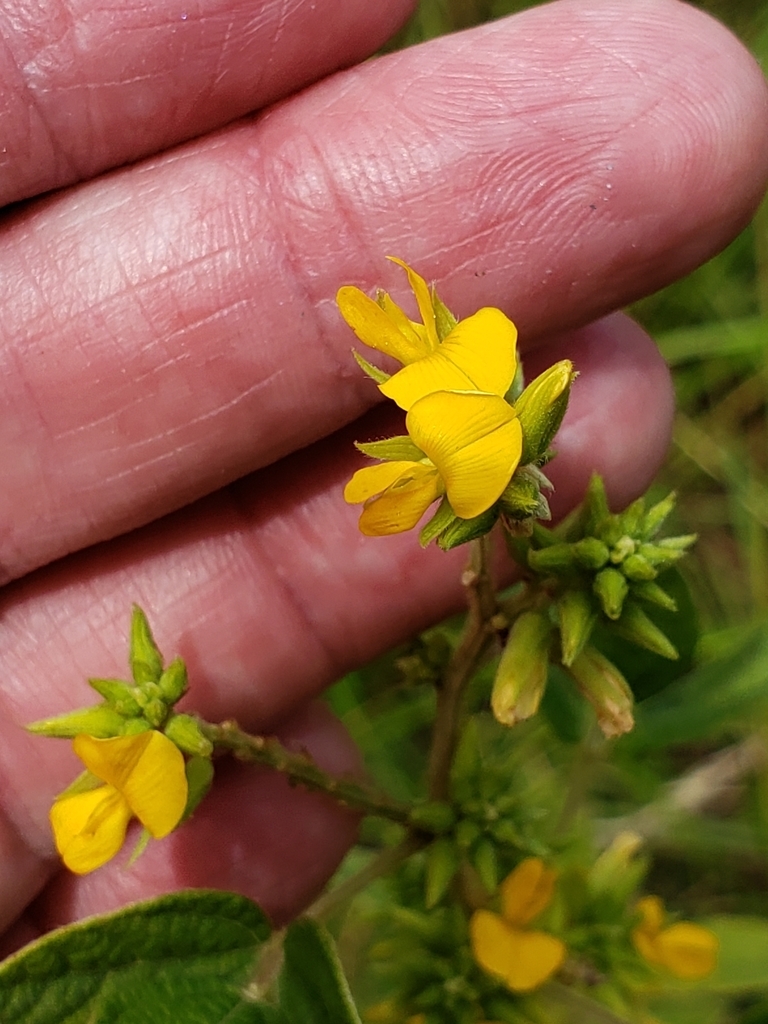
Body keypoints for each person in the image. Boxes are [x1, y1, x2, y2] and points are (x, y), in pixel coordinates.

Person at [0, 0, 765, 956]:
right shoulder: (464, 410)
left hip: (472, 454)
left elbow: (468, 439)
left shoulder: (475, 428)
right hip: (466, 449)